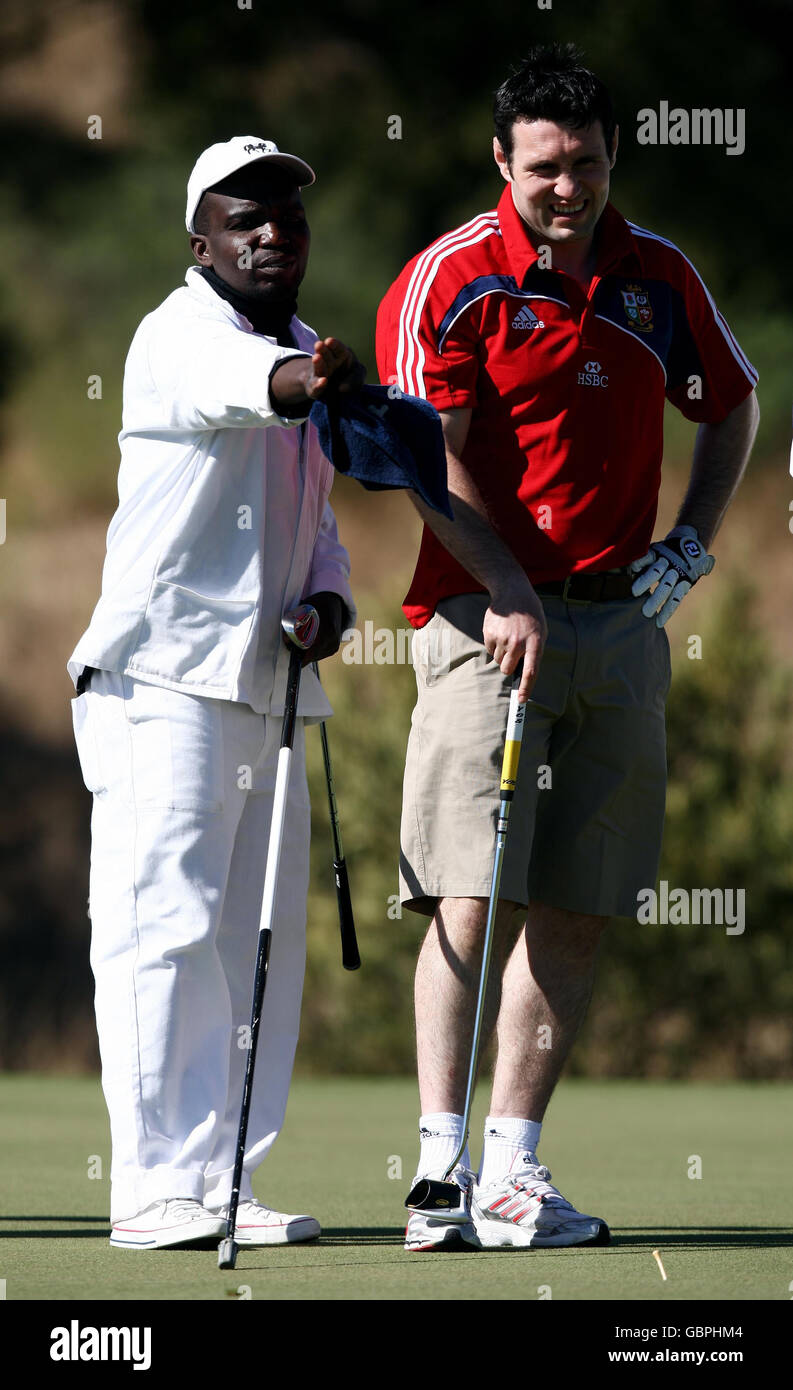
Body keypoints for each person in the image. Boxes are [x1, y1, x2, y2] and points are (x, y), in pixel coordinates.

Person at [376, 45, 759, 1252]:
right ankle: (438, 1172)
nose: (567, 188)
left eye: (586, 163)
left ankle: (511, 1174)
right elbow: (416, 452)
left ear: (612, 160)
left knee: (579, 905)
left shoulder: (656, 273)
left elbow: (730, 402)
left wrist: (687, 548)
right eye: (543, 166)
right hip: (483, 625)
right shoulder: (452, 275)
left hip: (618, 626)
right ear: (502, 160)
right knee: (470, 893)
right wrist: (504, 585)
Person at [68, 136, 364, 1250]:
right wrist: (312, 381)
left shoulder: (300, 347)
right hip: (161, 680)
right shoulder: (178, 334)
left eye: (288, 213)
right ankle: (150, 1190)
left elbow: (318, 523)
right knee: (163, 929)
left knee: (252, 942)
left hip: (264, 689)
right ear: (201, 239)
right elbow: (252, 394)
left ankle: (221, 1178)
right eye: (246, 215)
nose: (271, 229)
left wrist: (330, 608)